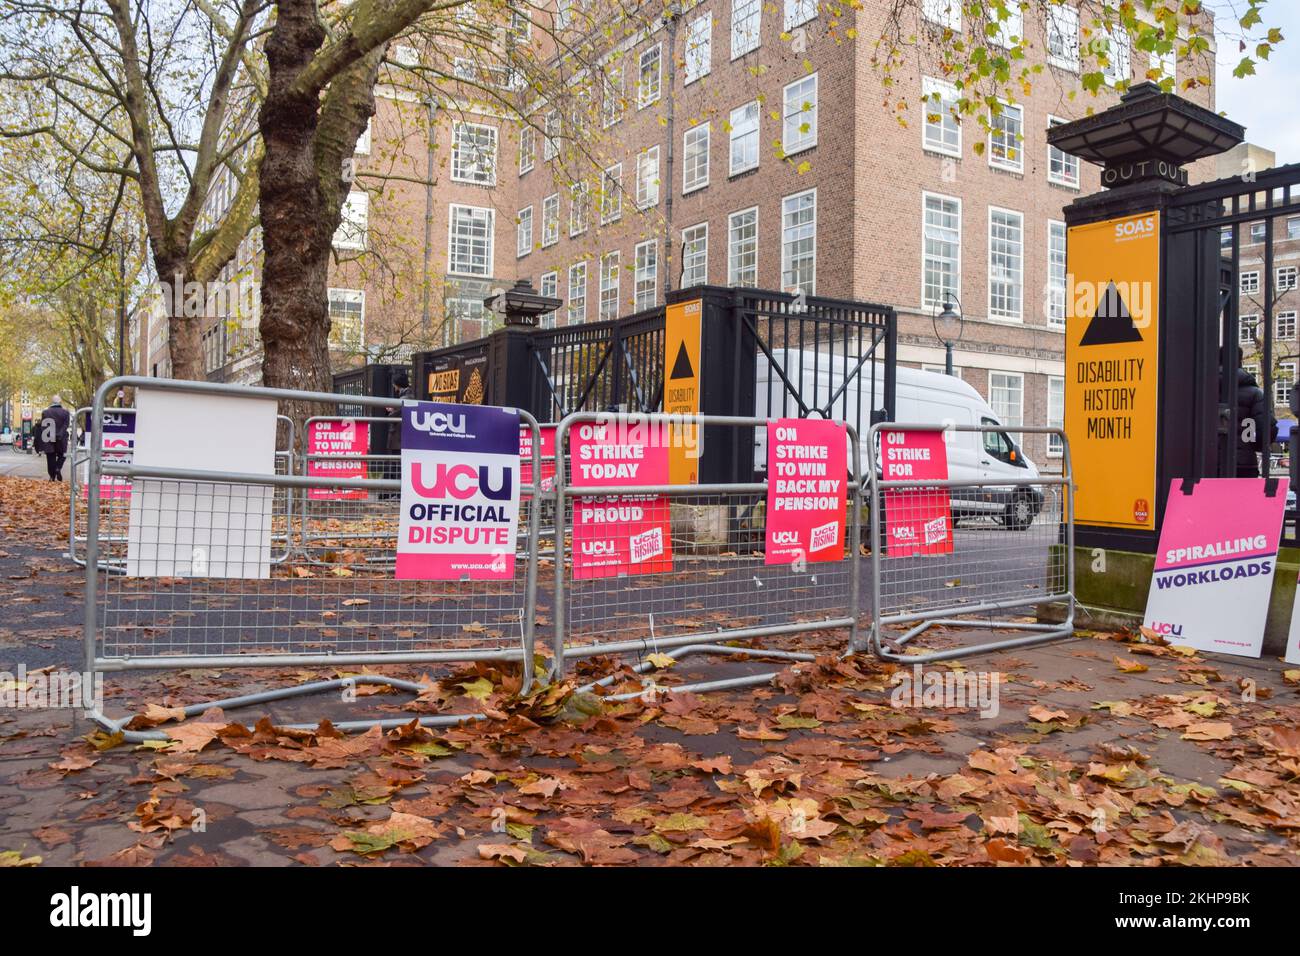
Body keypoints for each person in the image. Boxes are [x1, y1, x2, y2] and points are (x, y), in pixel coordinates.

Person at [1236, 367, 1277, 478]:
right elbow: (1266, 428)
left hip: (1203, 462)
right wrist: (1255, 446)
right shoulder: (1254, 393)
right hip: (1243, 462)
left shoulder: (1201, 390)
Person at [33, 395, 71, 482]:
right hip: (61, 438)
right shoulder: (65, 412)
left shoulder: (45, 412)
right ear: (60, 402)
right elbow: (66, 425)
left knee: (50, 457)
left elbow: (44, 426)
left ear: (52, 402)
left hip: (49, 437)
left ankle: (52, 476)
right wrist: (60, 434)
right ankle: (58, 467)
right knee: (62, 455)